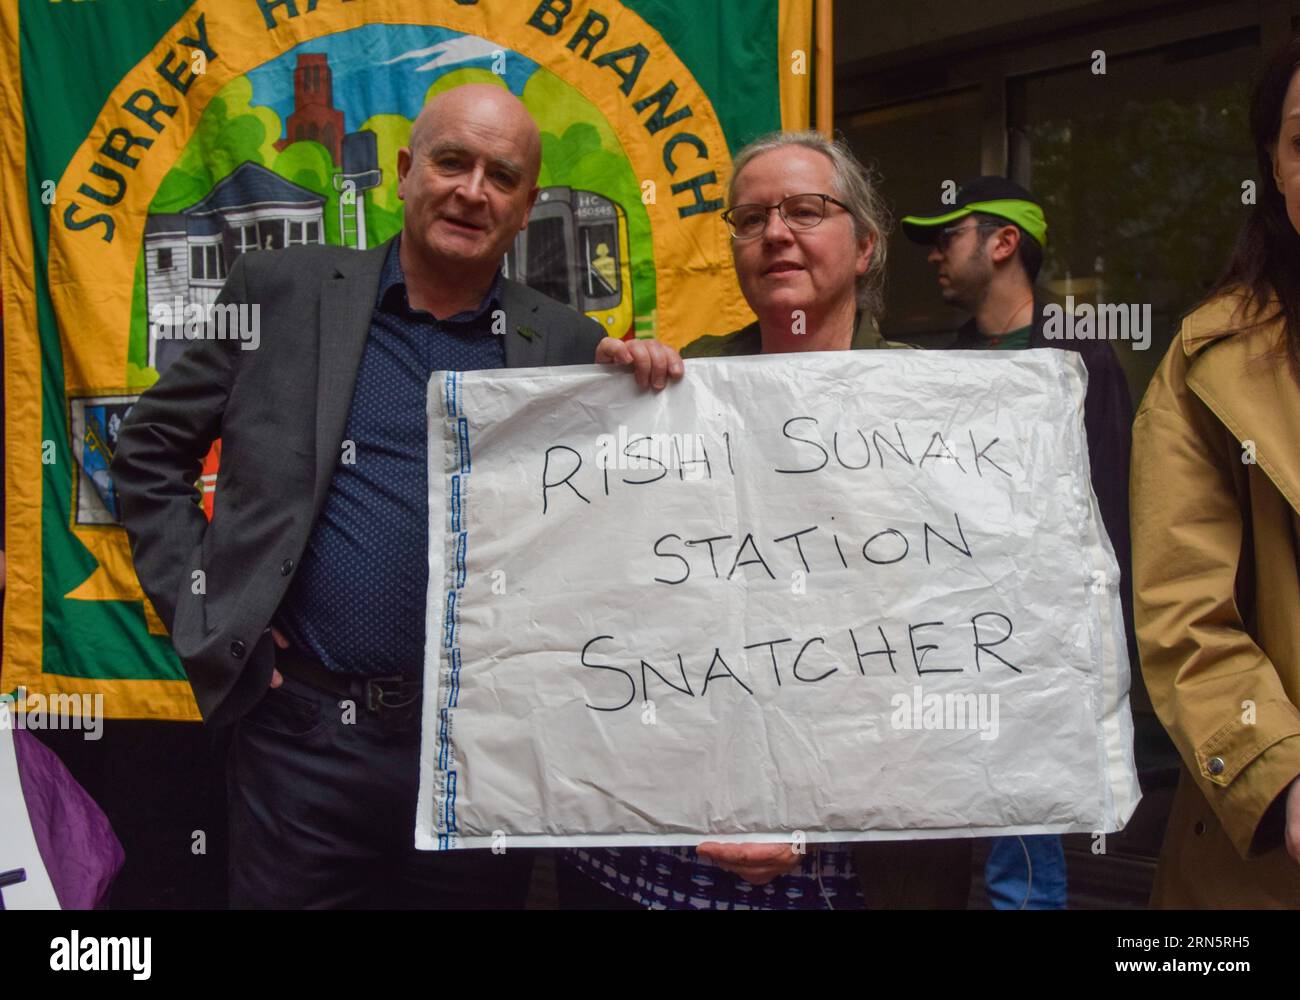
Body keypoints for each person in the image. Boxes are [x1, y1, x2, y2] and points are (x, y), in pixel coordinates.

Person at [111, 83, 679, 908]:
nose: (471, 191)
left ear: (524, 209)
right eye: (452, 162)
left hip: (483, 749)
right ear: (407, 173)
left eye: (501, 177)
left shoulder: (564, 342)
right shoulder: (277, 290)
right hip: (302, 738)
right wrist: (204, 608)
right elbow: (149, 450)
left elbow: (613, 532)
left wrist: (654, 392)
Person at [568, 130, 973, 909]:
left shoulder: (940, 413)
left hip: (864, 868)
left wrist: (817, 803)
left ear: (864, 247)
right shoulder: (669, 396)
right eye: (750, 219)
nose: (775, 232)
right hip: (664, 851)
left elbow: (961, 650)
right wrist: (600, 417)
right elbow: (617, 611)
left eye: (805, 210)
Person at [901, 177, 1134, 909]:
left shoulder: (1081, 359)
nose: (936, 256)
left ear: (1003, 243)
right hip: (946, 630)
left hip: (1040, 643)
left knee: (1022, 845)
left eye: (948, 237)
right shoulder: (936, 364)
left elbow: (1111, 502)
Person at [1130, 36, 1300, 907]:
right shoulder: (1207, 364)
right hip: (1259, 867)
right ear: (1273, 166)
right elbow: (1183, 614)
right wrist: (1278, 774)